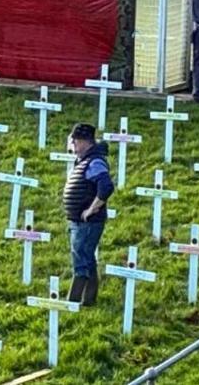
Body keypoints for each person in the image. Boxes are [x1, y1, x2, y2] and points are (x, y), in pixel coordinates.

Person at [62, 123, 115, 306]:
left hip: (88, 222)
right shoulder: (87, 160)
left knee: (80, 261)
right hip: (80, 221)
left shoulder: (95, 161)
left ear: (85, 141)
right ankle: (89, 300)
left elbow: (106, 186)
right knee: (87, 258)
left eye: (75, 142)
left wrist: (92, 209)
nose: (73, 146)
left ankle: (73, 302)